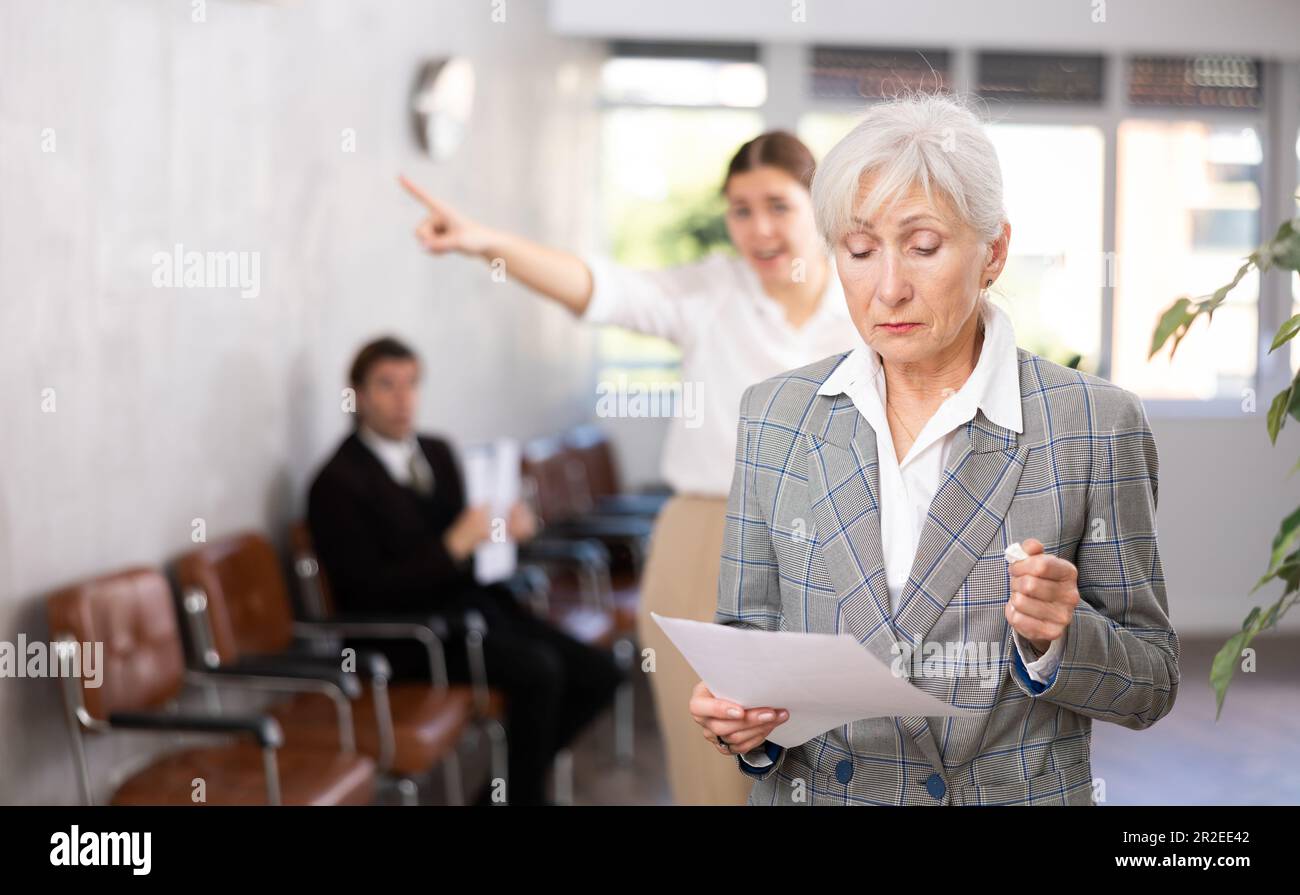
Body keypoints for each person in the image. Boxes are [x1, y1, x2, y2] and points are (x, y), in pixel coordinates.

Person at [690, 93, 1180, 805]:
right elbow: (747, 642)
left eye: (923, 248)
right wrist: (740, 718)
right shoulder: (775, 416)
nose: (888, 286)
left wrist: (1061, 638)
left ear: (995, 252)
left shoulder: (1094, 424)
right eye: (859, 251)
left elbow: (1153, 682)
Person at [399, 131, 857, 805]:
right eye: (739, 209)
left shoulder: (865, 300)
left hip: (833, 542)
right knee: (716, 762)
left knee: (829, 757)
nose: (758, 228)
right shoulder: (709, 292)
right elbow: (596, 286)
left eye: (777, 205)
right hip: (705, 539)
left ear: (818, 205)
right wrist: (484, 243)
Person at [307, 336, 624, 806]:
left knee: (602, 673)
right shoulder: (336, 482)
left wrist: (507, 534)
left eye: (412, 384)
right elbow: (366, 591)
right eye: (386, 386)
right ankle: (523, 796)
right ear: (357, 395)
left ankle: (504, 793)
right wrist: (452, 546)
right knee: (540, 672)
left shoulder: (437, 452)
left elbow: (473, 558)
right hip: (408, 639)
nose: (403, 399)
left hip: (474, 610)